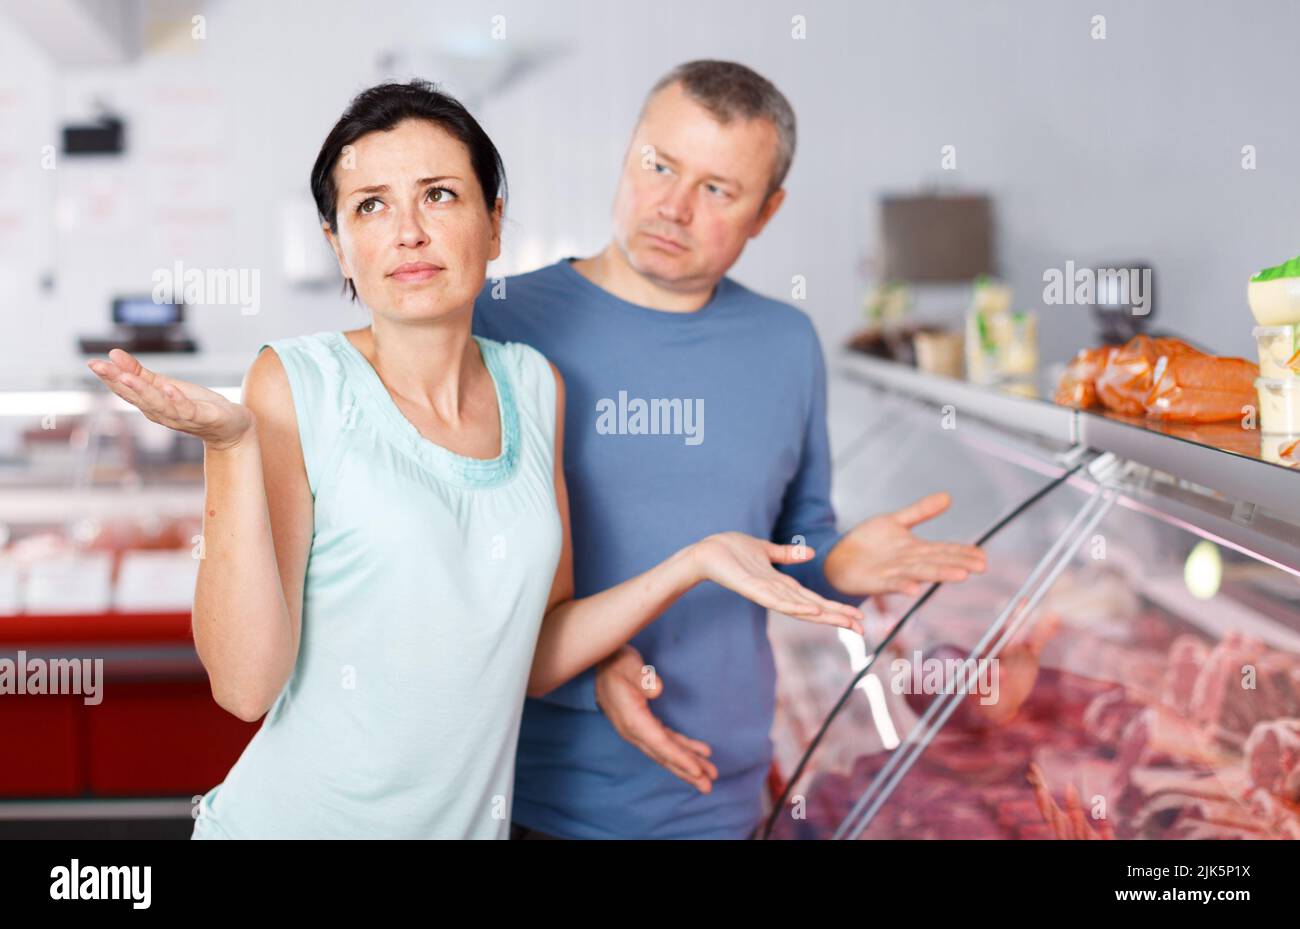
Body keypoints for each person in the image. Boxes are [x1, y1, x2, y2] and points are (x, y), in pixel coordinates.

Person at [85, 80, 863, 839]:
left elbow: (537, 648)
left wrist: (693, 562)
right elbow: (245, 687)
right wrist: (229, 448)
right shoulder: (298, 382)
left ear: (495, 225)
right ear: (340, 246)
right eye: (370, 206)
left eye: (440, 195)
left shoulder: (534, 384)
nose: (408, 231)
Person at [472, 60, 988, 840]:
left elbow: (796, 536)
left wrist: (841, 565)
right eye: (659, 165)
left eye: (718, 189)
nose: (673, 206)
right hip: (532, 797)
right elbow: (455, 572)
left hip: (720, 795)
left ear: (768, 210)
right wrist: (586, 672)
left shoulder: (786, 343)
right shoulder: (503, 322)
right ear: (629, 153)